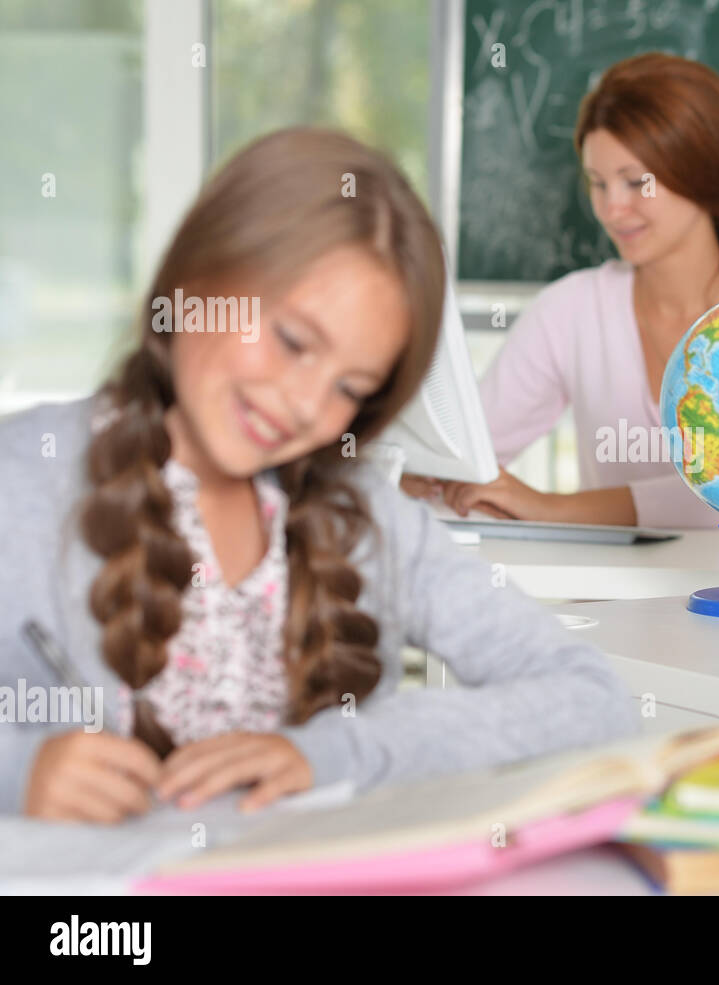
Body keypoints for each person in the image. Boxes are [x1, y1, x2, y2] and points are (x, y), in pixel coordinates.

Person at [1, 128, 635, 823]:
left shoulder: (365, 513)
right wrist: (19, 770)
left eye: (351, 387)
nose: (306, 406)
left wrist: (340, 752)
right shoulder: (25, 480)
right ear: (197, 278)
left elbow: (591, 696)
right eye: (294, 340)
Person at [404, 52, 719, 527]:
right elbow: (466, 454)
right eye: (598, 183)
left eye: (637, 182)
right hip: (604, 598)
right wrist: (425, 476)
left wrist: (550, 508)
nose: (612, 209)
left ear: (702, 173)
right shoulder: (571, 309)